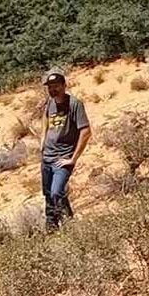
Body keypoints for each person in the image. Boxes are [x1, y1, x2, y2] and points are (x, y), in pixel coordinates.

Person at [40, 70, 91, 231]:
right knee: (48, 194)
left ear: (64, 86)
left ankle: (70, 225)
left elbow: (86, 131)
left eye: (56, 86)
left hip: (63, 158)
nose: (53, 90)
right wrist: (43, 140)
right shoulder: (50, 103)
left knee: (57, 192)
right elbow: (46, 117)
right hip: (47, 157)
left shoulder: (75, 104)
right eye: (50, 87)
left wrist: (73, 159)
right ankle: (51, 226)